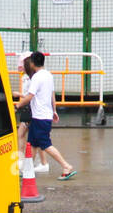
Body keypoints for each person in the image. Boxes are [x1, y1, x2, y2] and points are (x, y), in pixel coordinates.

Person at [17, 51, 76, 180]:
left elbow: (29, 96)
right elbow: (52, 95)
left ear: (32, 63)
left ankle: (66, 166)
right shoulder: (49, 75)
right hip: (44, 115)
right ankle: (28, 170)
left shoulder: (37, 77)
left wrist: (18, 105)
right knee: (32, 143)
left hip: (39, 116)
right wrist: (54, 110)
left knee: (45, 145)